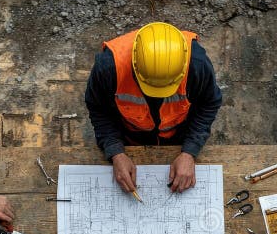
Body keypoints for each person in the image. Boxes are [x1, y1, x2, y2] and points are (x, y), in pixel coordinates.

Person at [85, 21, 223, 193]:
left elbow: (209, 104)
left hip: (179, 134)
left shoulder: (197, 64)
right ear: (134, 65)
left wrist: (189, 152)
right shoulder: (108, 67)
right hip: (130, 136)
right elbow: (98, 109)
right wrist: (115, 152)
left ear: (183, 70)